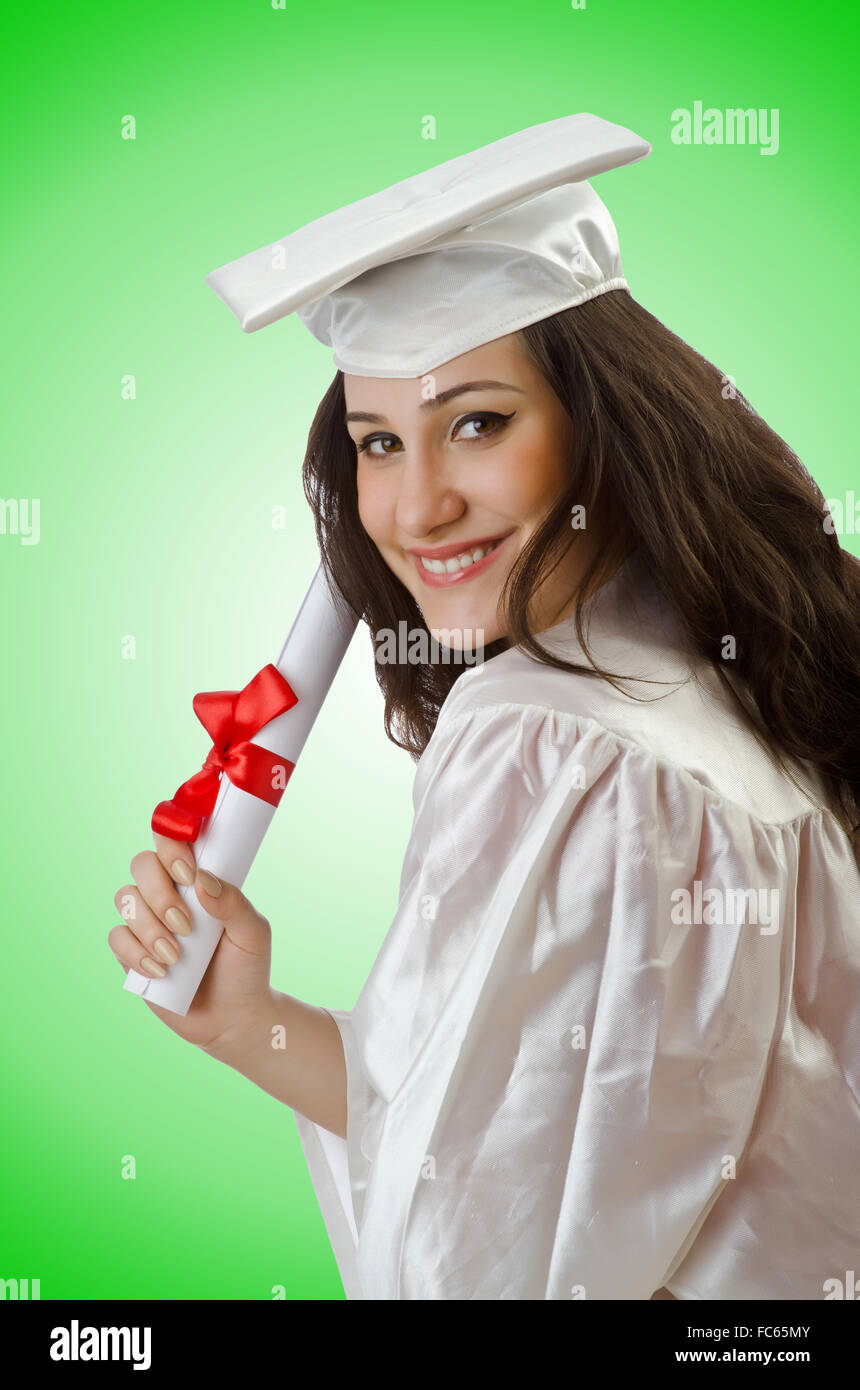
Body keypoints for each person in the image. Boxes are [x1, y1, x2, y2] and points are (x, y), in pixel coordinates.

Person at [108, 114, 860, 1300]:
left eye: (476, 422)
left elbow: (471, 1253)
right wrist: (242, 1020)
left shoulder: (551, 739)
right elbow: (517, 1143)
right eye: (376, 442)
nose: (415, 509)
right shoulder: (747, 685)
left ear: (600, 425)